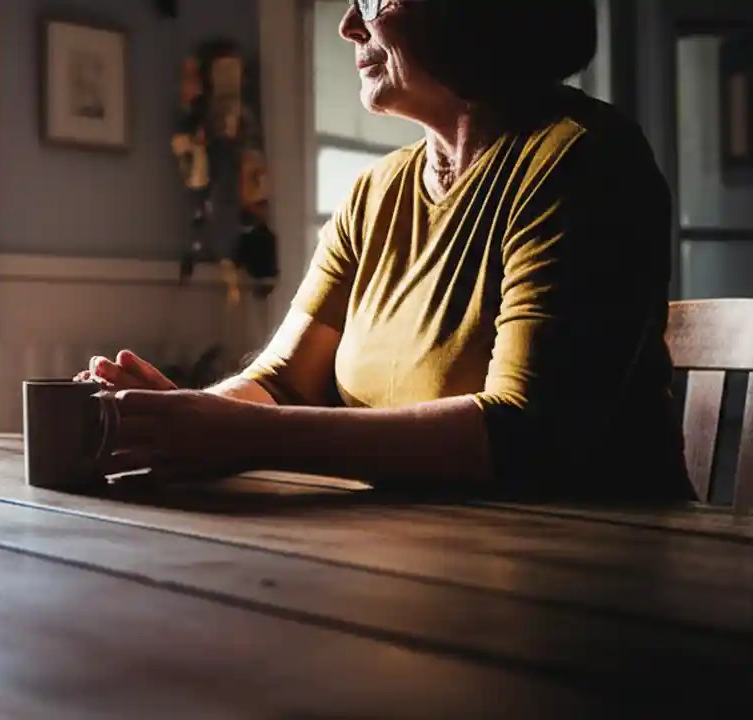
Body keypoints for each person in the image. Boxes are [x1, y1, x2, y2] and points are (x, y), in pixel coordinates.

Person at [80, 0, 692, 499]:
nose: (348, 25)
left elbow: (522, 434)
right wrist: (180, 417)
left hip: (593, 570)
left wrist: (244, 435)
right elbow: (285, 384)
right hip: (411, 551)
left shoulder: (582, 160)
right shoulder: (375, 192)